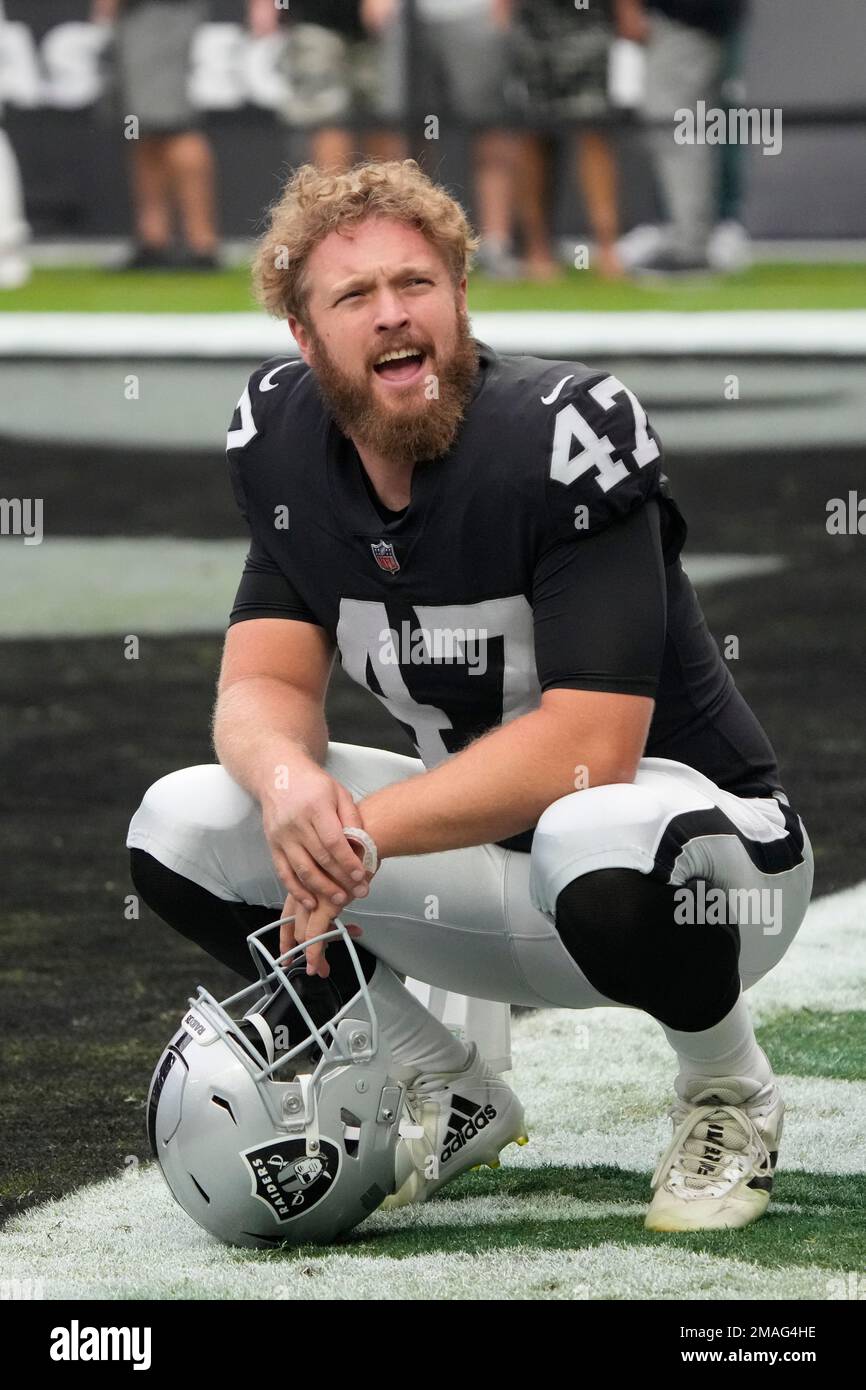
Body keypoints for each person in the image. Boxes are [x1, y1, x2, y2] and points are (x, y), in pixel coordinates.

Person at [128, 159, 813, 1231]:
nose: (393, 314)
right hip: (478, 877)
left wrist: (351, 835)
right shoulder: (282, 447)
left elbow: (585, 745)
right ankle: (446, 1087)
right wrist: (286, 786)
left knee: (590, 827)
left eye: (418, 284)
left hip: (697, 866)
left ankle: (726, 1086)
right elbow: (262, 677)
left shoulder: (559, 432)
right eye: (354, 296)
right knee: (187, 820)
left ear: (459, 296)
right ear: (305, 341)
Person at [617, 0, 750, 273]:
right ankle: (693, 234)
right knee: (691, 127)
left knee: (677, 129)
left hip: (684, 18)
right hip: (706, 19)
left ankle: (690, 244)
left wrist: (627, 9)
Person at [91, 0, 224, 270]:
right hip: (136, 15)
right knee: (143, 125)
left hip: (160, 11)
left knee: (174, 124)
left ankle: (202, 243)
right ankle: (154, 239)